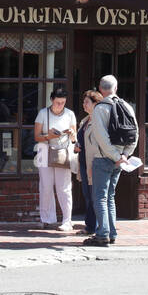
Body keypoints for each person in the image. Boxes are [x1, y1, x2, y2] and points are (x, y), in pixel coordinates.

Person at [83, 75, 137, 247]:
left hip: (103, 158)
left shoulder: (100, 108)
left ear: (100, 88)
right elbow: (134, 134)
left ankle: (102, 234)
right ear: (116, 87)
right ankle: (111, 232)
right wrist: (124, 156)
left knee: (99, 197)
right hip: (120, 159)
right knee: (110, 197)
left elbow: (101, 136)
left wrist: (114, 156)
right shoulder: (127, 106)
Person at [34, 87, 77, 231]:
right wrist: (49, 136)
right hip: (44, 150)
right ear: (52, 100)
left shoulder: (70, 114)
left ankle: (67, 220)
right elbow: (36, 136)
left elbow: (74, 138)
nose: (60, 105)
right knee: (46, 186)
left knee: (63, 187)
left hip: (62, 151)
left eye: (63, 103)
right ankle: (46, 218)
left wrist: (71, 133)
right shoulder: (43, 113)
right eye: (57, 102)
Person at [74, 90, 101, 235]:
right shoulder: (85, 121)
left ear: (96, 103)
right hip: (83, 161)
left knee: (94, 196)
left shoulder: (99, 121)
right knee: (87, 195)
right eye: (83, 102)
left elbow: (99, 144)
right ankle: (90, 226)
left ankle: (94, 227)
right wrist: (77, 146)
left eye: (87, 102)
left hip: (94, 163)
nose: (84, 104)